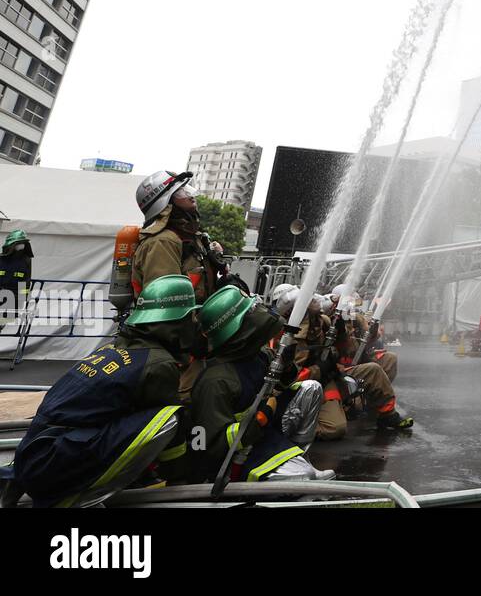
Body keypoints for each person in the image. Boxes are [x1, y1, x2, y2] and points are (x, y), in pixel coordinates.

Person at [1, 275, 199, 508]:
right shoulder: (158, 364)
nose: (195, 323)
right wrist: (180, 481)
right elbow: (157, 430)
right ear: (175, 323)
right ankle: (77, 498)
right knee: (170, 418)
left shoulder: (109, 351)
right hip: (55, 468)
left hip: (31, 458)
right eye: (191, 317)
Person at [190, 286, 334, 483]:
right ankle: (297, 472)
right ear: (238, 328)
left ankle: (300, 458)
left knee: (310, 388)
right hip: (238, 456)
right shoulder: (216, 380)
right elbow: (208, 445)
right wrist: (261, 417)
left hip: (265, 433)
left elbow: (283, 383)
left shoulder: (258, 356)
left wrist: (286, 363)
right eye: (250, 311)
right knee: (303, 477)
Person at [293, 297, 412, 439]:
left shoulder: (332, 323)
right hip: (311, 385)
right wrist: (319, 368)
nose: (315, 325)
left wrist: (345, 333)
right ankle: (291, 428)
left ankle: (386, 413)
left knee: (375, 368)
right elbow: (290, 377)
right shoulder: (288, 336)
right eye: (312, 318)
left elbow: (349, 348)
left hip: (331, 377)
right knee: (334, 428)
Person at [131, 170, 221, 304]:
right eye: (181, 192)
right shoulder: (162, 242)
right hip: (181, 323)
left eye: (187, 189)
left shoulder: (190, 237)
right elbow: (165, 305)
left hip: (196, 321)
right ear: (164, 203)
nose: (191, 196)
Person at [0, 229, 34, 334]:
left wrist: (22, 299)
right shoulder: (1, 259)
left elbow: (26, 281)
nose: (22, 246)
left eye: (23, 243)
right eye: (19, 243)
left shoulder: (26, 260)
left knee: (6, 318)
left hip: (14, 297)